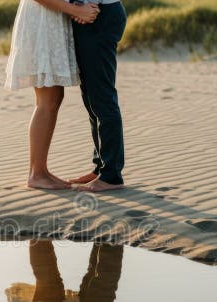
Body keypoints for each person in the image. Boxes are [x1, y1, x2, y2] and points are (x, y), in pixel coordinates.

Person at [5, 0, 100, 190]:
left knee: (54, 97)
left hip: (51, 19)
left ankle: (40, 170)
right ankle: (36, 174)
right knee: (46, 100)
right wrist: (76, 10)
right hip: (43, 21)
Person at [68, 0, 128, 192]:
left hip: (98, 14)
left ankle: (111, 176)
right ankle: (100, 168)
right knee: (92, 100)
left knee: (102, 98)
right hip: (92, 13)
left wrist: (88, 5)